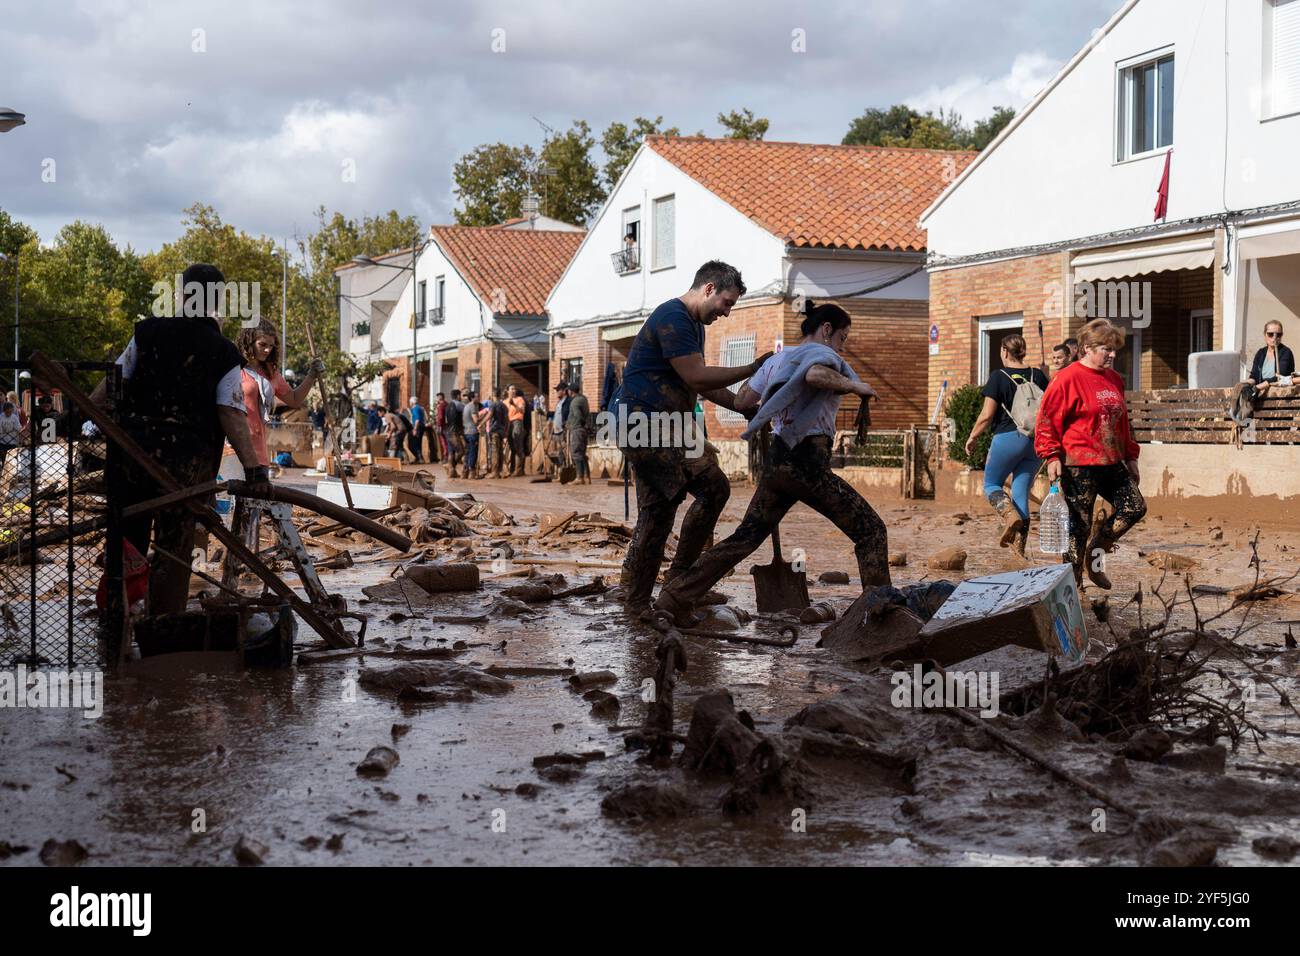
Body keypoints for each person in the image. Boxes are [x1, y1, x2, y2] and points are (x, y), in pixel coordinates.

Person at [653, 302, 888, 624]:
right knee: (871, 531)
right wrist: (853, 385)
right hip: (806, 462)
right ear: (827, 329)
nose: (842, 347)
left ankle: (675, 596)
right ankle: (882, 616)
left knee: (745, 537)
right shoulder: (823, 356)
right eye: (843, 338)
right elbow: (815, 375)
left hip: (777, 462)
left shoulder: (776, 360)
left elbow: (742, 401)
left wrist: (773, 406)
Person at [92, 262, 263, 616]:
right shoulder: (223, 350)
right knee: (175, 545)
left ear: (181, 294)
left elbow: (112, 384)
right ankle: (164, 626)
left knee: (125, 541)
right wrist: (255, 468)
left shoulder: (147, 332)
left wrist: (77, 416)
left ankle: (117, 622)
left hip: (131, 460)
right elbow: (230, 412)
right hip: (186, 469)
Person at [615, 260, 772, 616]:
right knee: (710, 489)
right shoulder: (673, 317)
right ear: (710, 289)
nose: (727, 313)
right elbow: (699, 377)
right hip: (644, 425)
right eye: (727, 303)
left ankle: (647, 598)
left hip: (665, 426)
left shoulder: (693, 325)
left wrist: (738, 403)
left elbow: (693, 381)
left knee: (658, 514)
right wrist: (751, 367)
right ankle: (677, 586)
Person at [1035, 318, 1146, 591]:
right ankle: (1072, 586)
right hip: (1078, 464)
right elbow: (1047, 420)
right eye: (1106, 349)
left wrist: (1130, 457)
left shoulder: (1114, 379)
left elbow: (1122, 422)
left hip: (1111, 461)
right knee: (1078, 527)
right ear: (1086, 347)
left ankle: (1097, 550)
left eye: (1114, 349)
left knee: (1134, 507)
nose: (1112, 355)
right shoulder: (1067, 378)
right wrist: (1051, 456)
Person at [963, 334, 1047, 556]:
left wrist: (972, 437)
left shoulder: (998, 377)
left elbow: (986, 415)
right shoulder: (1037, 375)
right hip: (1036, 441)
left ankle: (1009, 516)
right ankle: (1018, 552)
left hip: (1009, 437)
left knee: (991, 484)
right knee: (1020, 491)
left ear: (1005, 351)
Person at [235, 320, 323, 467]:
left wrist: (311, 375)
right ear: (249, 342)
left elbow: (294, 400)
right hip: (233, 451)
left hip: (259, 454)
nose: (267, 350)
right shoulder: (234, 368)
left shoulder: (271, 373)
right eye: (262, 345)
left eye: (271, 346)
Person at [1245, 320, 1295, 395]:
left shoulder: (1286, 352)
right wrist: (1245, 385)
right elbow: (1254, 376)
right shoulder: (1261, 353)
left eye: (1278, 335)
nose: (1274, 338)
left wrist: (1257, 387)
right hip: (1260, 394)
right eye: (1270, 334)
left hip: (1279, 394)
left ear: (1281, 335)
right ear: (1265, 335)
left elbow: (1280, 377)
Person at [565, 381, 592, 484]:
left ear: (571, 391)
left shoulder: (575, 401)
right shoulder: (583, 399)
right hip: (583, 429)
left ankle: (579, 477)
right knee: (582, 453)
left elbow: (578, 415)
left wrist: (572, 424)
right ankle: (587, 476)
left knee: (576, 453)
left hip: (577, 429)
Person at [506, 385, 527, 477]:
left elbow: (522, 411)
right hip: (508, 423)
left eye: (515, 389)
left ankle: (519, 469)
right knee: (512, 447)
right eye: (512, 389)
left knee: (518, 444)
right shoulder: (505, 401)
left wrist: (514, 404)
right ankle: (512, 469)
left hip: (517, 422)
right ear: (508, 391)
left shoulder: (520, 399)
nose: (514, 390)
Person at [487, 389, 508, 478]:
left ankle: (495, 472)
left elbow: (490, 415)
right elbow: (507, 420)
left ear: (493, 395)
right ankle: (499, 471)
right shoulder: (504, 405)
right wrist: (506, 431)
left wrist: (481, 423)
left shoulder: (493, 405)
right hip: (501, 431)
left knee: (495, 451)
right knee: (499, 451)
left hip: (494, 431)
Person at [445, 389, 465, 479]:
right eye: (461, 395)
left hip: (447, 430)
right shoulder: (458, 404)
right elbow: (467, 410)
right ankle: (451, 467)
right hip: (454, 432)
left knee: (451, 452)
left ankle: (451, 472)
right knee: (461, 451)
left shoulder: (448, 405)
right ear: (457, 396)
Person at [461, 388, 481, 478]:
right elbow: (476, 420)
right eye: (477, 397)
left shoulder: (466, 406)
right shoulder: (472, 406)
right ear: (472, 398)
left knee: (468, 452)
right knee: (473, 452)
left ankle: (465, 472)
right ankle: (472, 472)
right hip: (472, 432)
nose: (479, 398)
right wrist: (484, 415)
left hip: (466, 432)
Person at [0, 401, 20, 476]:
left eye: (10, 412)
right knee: (3, 455)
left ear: (12, 410)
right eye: (7, 412)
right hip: (2, 440)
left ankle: (13, 471)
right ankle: (4, 468)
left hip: (13, 440)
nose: (8, 413)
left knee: (12, 456)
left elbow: (18, 427)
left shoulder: (14, 417)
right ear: (4, 411)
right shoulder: (1, 416)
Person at [433, 392, 449, 463]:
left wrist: (438, 426)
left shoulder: (441, 406)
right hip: (448, 426)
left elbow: (440, 417)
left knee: (443, 442)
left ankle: (445, 457)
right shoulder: (447, 404)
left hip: (442, 426)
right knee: (447, 442)